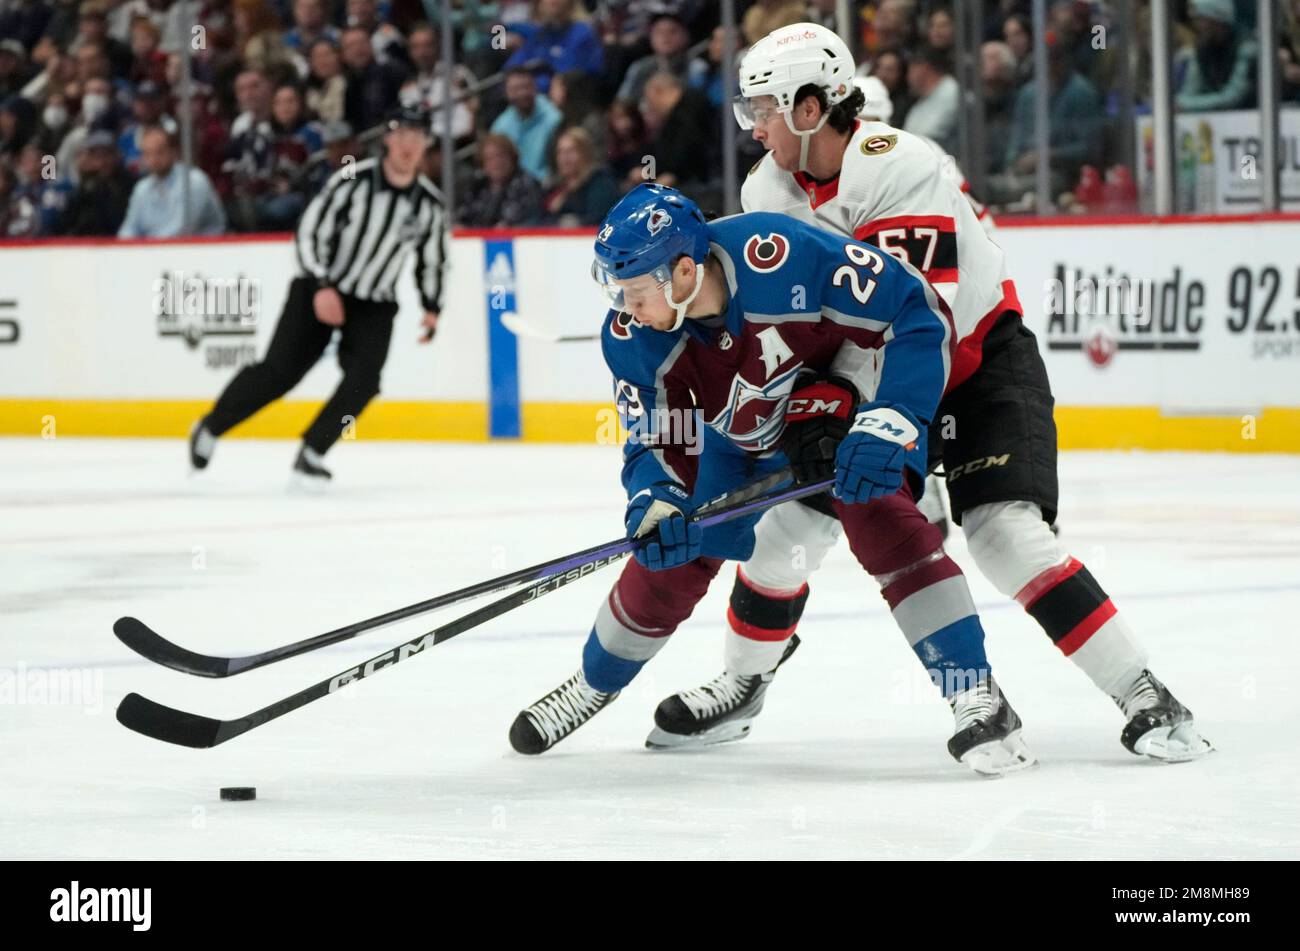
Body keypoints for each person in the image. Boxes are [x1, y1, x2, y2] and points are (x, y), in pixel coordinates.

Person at [656, 21, 1210, 763]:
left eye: (763, 108)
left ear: (811, 107)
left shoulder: (901, 164)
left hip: (976, 363)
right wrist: (805, 406)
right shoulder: (767, 189)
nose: (752, 127)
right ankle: (742, 683)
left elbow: (924, 323)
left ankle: (1145, 689)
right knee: (785, 534)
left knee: (1004, 534)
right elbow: (797, 323)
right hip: (871, 381)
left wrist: (850, 407)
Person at [509, 184, 1038, 777]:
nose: (625, 308)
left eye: (634, 290)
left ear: (685, 271)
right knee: (670, 553)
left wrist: (891, 416)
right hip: (735, 438)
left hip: (835, 414)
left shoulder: (779, 253)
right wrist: (656, 497)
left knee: (879, 516)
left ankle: (977, 691)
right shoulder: (636, 337)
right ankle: (593, 684)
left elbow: (915, 311)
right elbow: (660, 436)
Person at [190, 107, 446, 481]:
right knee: (280, 372)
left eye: (417, 137)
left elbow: (433, 259)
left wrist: (432, 306)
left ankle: (314, 450)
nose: (408, 145)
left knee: (365, 381)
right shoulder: (352, 181)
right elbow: (310, 232)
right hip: (320, 286)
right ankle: (212, 425)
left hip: (375, 301)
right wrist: (322, 285)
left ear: (425, 145)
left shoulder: (429, 204)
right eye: (401, 135)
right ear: (387, 139)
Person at [117, 125, 226, 236]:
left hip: (202, 249)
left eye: (159, 152)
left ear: (173, 151)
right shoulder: (141, 188)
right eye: (147, 153)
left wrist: (150, 247)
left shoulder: (193, 181)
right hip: (157, 250)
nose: (153, 159)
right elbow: (129, 228)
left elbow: (182, 229)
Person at [489, 67, 562, 183]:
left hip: (547, 183)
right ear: (507, 93)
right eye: (516, 89)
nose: (522, 93)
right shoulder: (500, 126)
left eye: (526, 87)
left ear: (535, 88)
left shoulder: (553, 118)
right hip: (513, 187)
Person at [541, 126, 618, 225]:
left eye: (571, 151)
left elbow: (598, 220)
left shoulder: (600, 183)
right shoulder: (555, 186)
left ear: (585, 153)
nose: (564, 157)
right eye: (560, 152)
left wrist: (572, 222)